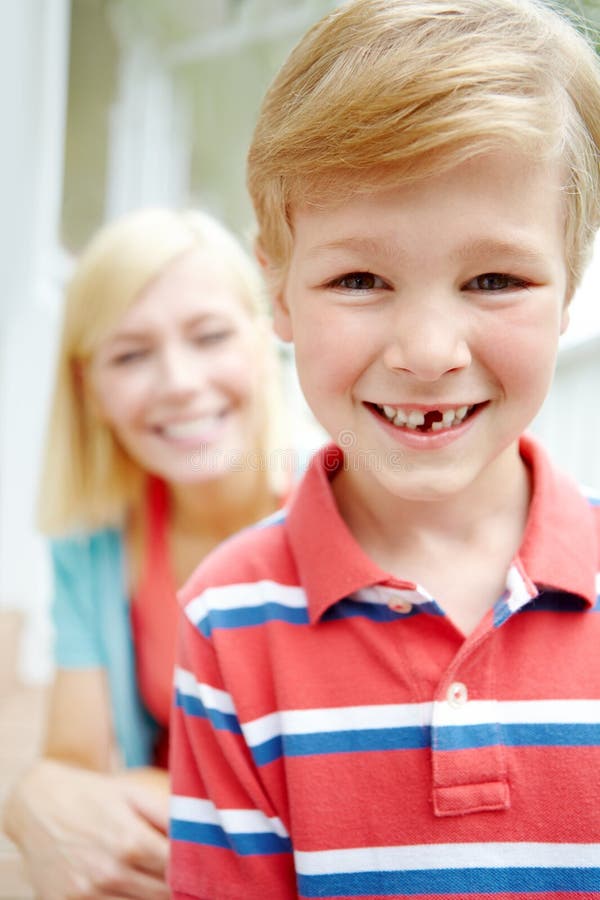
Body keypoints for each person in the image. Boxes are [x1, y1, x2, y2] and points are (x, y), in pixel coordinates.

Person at [168, 0, 600, 897]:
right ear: (279, 291)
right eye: (360, 279)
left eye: (495, 278)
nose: (429, 350)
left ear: (570, 289)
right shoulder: (226, 619)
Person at [3, 207, 284, 900]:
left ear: (265, 339)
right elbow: (76, 785)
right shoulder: (95, 546)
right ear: (88, 390)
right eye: (130, 355)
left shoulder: (345, 510)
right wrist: (30, 798)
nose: (180, 381)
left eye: (210, 336)